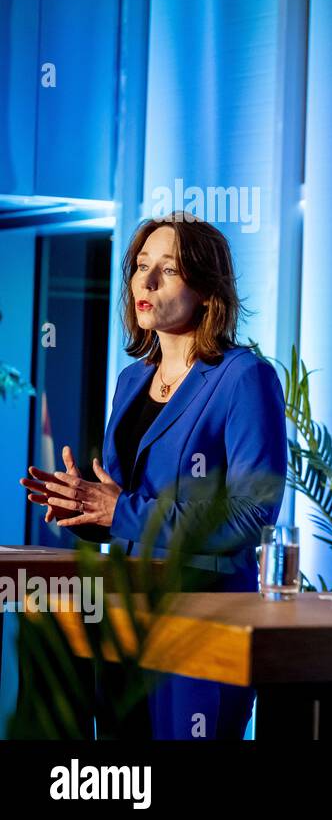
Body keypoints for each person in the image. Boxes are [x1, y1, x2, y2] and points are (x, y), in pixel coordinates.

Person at [18, 212, 288, 740]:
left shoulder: (244, 377)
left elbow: (253, 515)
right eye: (142, 266)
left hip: (203, 618)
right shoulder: (130, 379)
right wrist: (85, 508)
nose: (146, 281)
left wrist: (118, 510)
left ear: (208, 291)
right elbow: (127, 504)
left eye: (168, 269)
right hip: (124, 619)